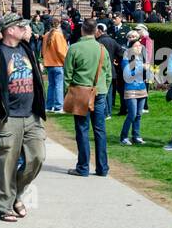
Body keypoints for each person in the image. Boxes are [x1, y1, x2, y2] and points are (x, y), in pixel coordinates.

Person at [0, 11, 46, 223]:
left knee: (37, 157)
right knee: (6, 163)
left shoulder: (26, 48)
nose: (25, 29)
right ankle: (4, 205)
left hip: (31, 114)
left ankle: (16, 193)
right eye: (21, 27)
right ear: (10, 30)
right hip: (8, 116)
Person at [63, 19, 112, 177]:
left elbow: (67, 74)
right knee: (100, 131)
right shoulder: (102, 49)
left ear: (83, 30)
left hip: (80, 91)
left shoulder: (75, 48)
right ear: (96, 31)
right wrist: (103, 88)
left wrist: (67, 92)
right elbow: (109, 74)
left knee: (82, 130)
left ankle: (83, 167)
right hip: (100, 91)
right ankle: (102, 168)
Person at [120, 43, 150, 144]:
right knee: (132, 114)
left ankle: (136, 136)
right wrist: (141, 67)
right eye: (136, 46)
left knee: (138, 115)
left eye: (140, 46)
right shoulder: (126, 59)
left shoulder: (142, 58)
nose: (139, 48)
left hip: (142, 88)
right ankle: (123, 137)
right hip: (130, 88)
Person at [41, 16, 69, 113]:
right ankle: (58, 106)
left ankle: (49, 106)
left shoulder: (46, 35)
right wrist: (66, 61)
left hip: (49, 63)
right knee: (58, 85)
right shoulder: (58, 35)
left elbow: (43, 51)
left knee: (51, 85)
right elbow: (61, 51)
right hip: (58, 63)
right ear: (59, 25)